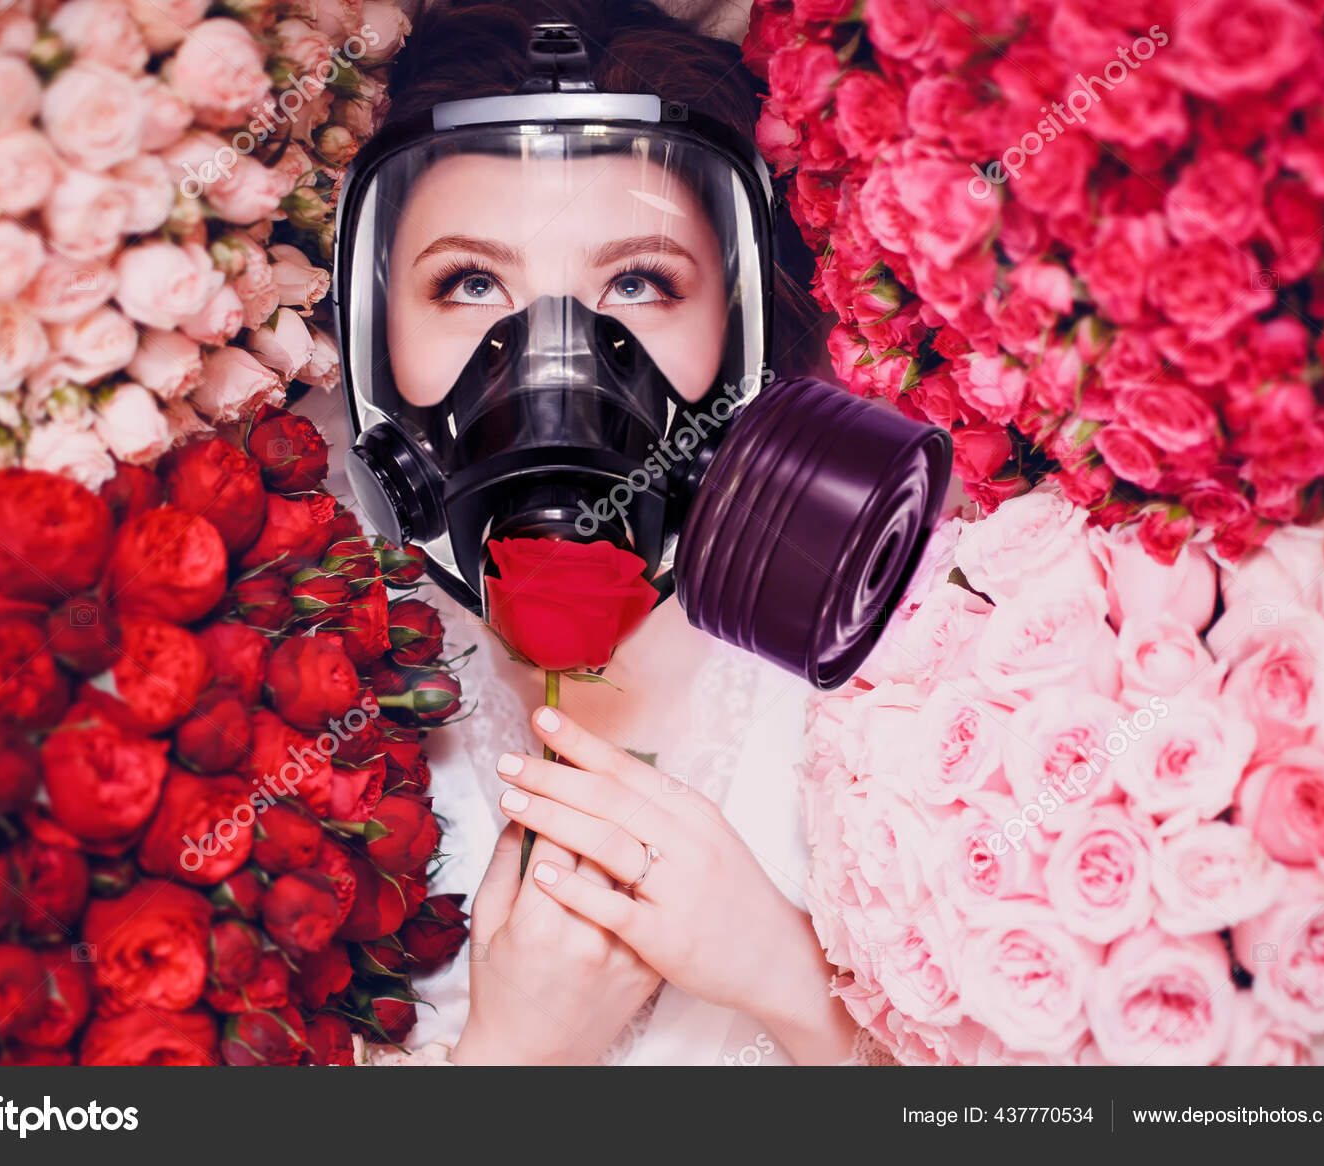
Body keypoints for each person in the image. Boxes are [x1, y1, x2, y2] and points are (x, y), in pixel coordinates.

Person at [305, 0, 888, 1065]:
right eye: (470, 283)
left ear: (743, 331)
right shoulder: (289, 664)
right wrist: (516, 1055)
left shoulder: (909, 656)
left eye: (638, 281)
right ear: (375, 339)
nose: (553, 364)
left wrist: (795, 984)